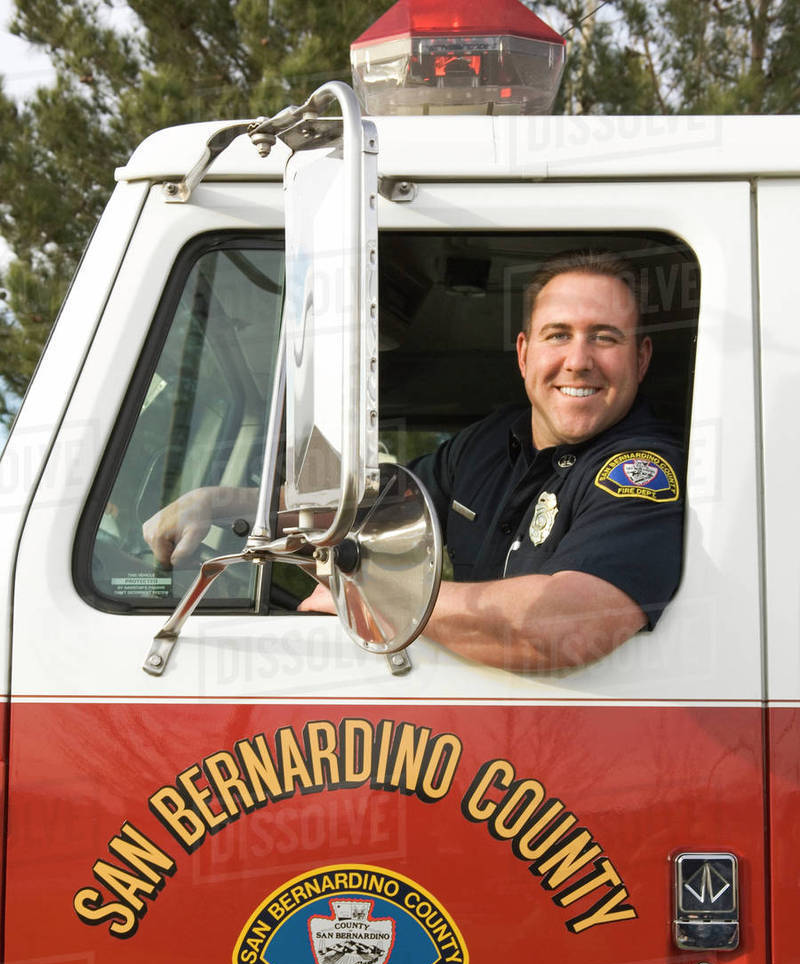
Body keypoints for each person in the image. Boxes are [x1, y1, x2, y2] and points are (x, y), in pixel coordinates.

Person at [143, 250, 685, 673]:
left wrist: (367, 593)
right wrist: (219, 504)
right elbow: (362, 509)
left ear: (640, 360)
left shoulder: (642, 470)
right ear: (524, 354)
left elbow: (571, 625)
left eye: (605, 339)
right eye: (558, 335)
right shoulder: (491, 441)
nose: (578, 361)